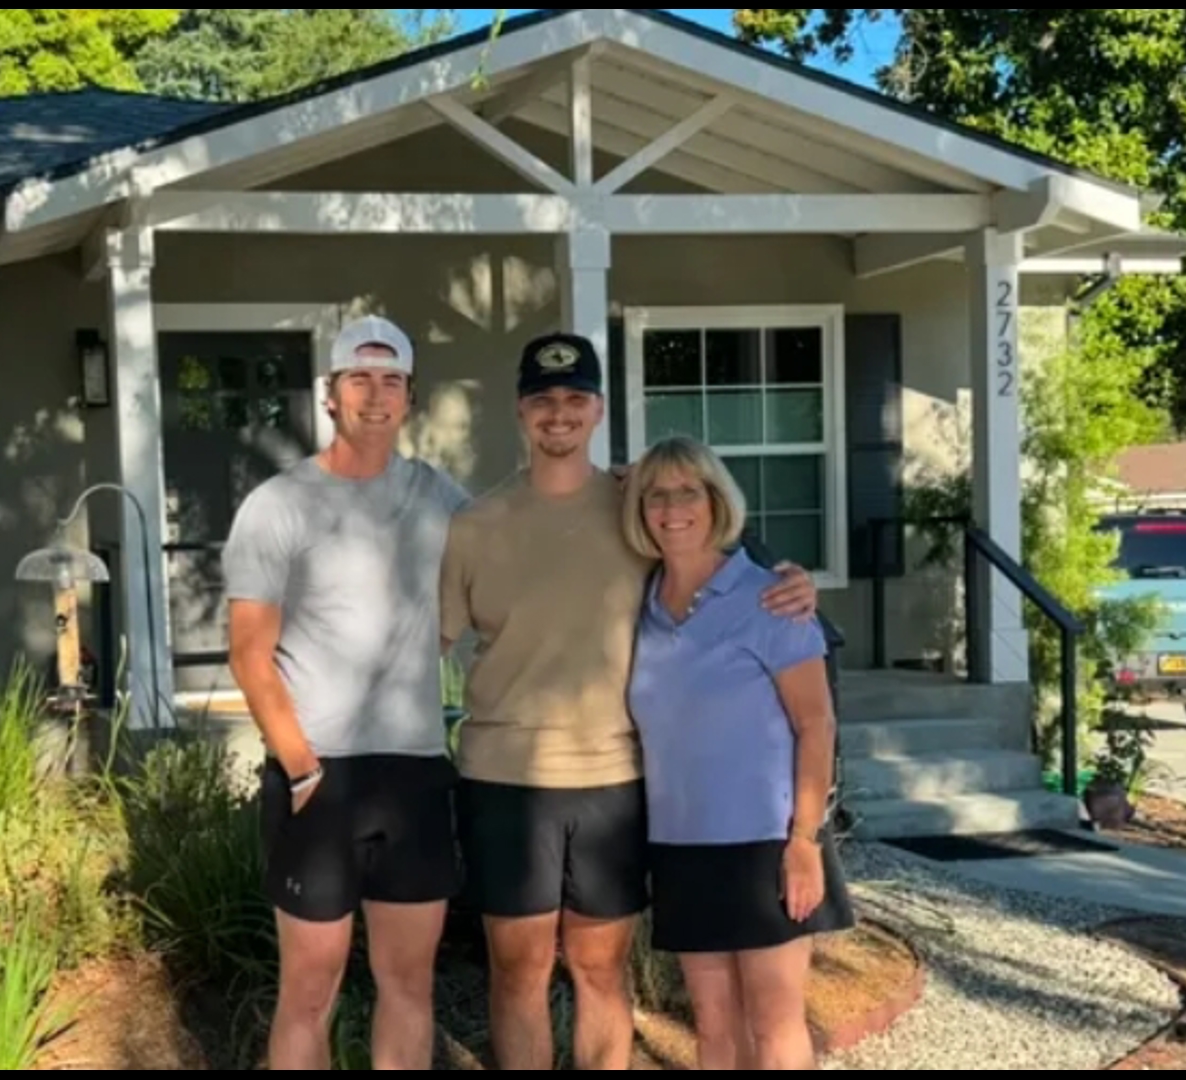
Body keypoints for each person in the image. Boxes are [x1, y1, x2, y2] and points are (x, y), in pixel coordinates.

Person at [437, 332, 820, 1070]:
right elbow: (424, 642)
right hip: (505, 778)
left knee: (599, 971)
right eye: (543, 400)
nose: (559, 414)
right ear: (521, 411)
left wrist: (792, 577)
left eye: (575, 398)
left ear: (598, 409)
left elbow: (717, 555)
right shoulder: (473, 525)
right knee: (517, 974)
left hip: (613, 781)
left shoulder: (636, 508)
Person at [222, 314, 472, 1070]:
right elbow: (248, 654)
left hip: (416, 771)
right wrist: (299, 764)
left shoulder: (442, 499)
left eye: (390, 380)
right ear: (331, 394)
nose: (375, 395)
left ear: (409, 397)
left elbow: (527, 545)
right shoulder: (279, 505)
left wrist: (620, 491)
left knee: (408, 982)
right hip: (318, 774)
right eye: (358, 379)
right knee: (310, 987)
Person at [620, 434, 854, 1071]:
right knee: (714, 1031)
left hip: (766, 844)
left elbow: (817, 725)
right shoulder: (640, 604)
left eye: (688, 491)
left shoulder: (771, 599)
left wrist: (804, 841)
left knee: (774, 1026)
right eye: (656, 495)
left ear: (716, 500)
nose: (672, 508)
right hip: (680, 846)